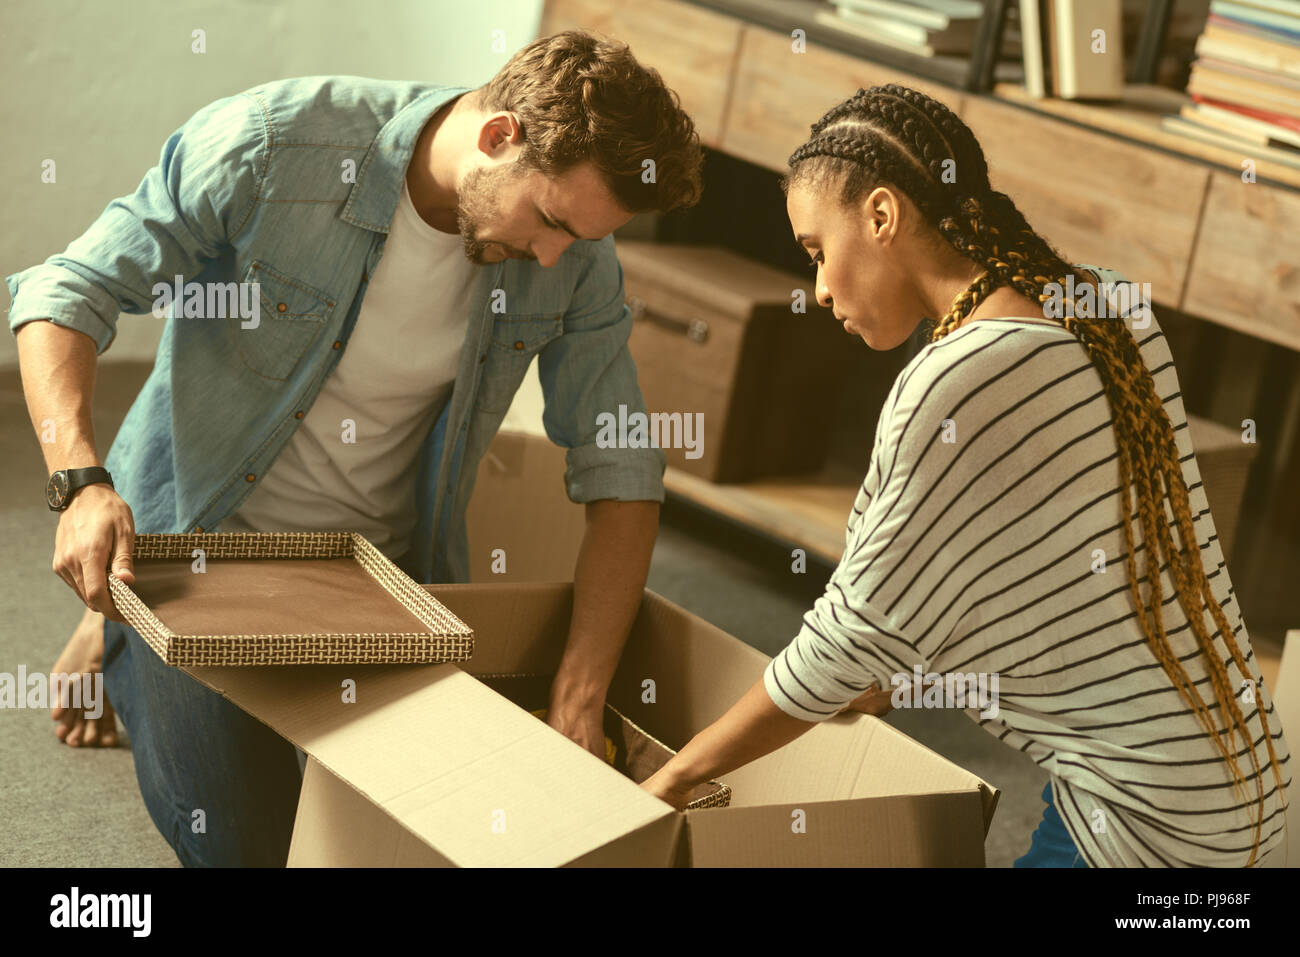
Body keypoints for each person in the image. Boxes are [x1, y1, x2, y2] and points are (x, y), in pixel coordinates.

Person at [8, 30, 703, 865]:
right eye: (551, 221)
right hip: (193, 564)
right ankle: (115, 626)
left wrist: (580, 695)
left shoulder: (575, 255)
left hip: (383, 578)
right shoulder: (273, 145)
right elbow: (66, 290)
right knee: (251, 846)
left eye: (581, 239)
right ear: (498, 137)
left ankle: (107, 633)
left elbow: (621, 462)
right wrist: (82, 485)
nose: (555, 256)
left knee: (436, 838)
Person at [642, 83, 1291, 868]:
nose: (816, 289)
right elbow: (1041, 569)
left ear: (882, 216)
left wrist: (676, 774)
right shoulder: (1105, 304)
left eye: (817, 251)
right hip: (1245, 786)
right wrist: (893, 664)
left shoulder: (959, 379)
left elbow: (845, 638)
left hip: (1149, 832)